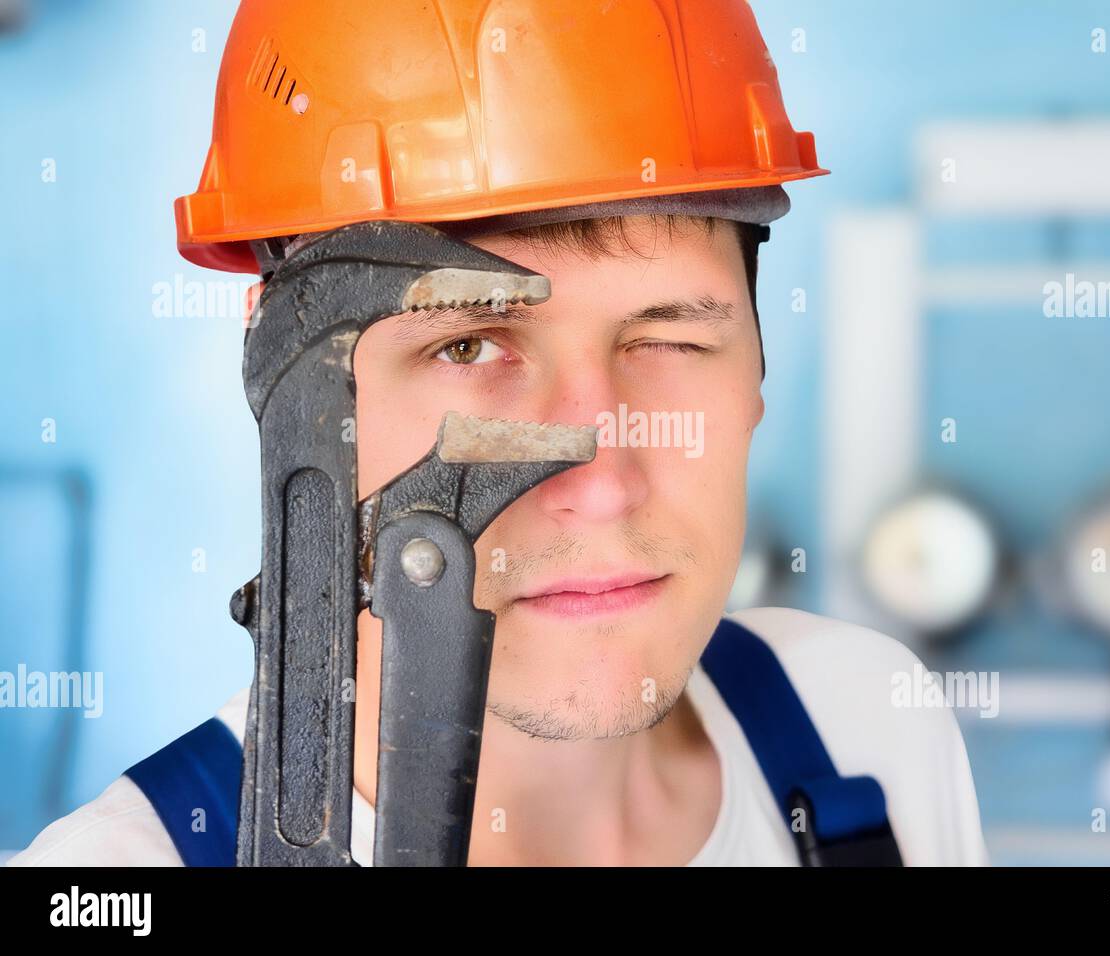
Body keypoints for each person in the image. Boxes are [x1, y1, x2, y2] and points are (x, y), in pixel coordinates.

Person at [8, 0, 987, 867]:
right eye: (469, 346)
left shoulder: (866, 727)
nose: (600, 479)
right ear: (293, 400)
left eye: (670, 336)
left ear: (755, 379)